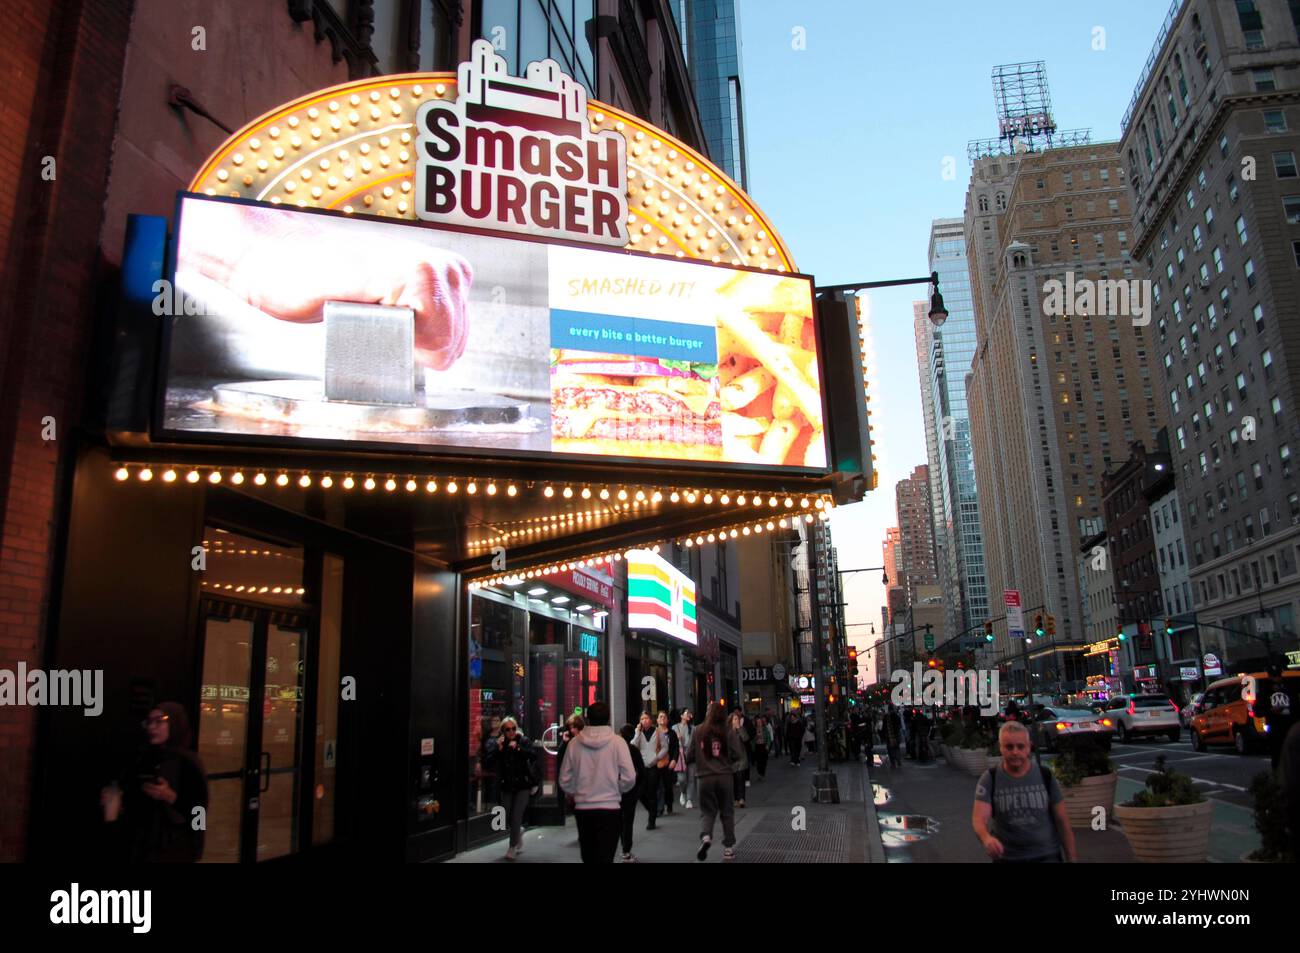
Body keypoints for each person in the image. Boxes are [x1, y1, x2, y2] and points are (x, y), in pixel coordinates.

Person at [101, 702, 209, 862]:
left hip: (173, 849)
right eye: (149, 722)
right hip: (140, 846)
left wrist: (170, 797)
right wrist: (115, 801)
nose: (152, 727)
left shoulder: (188, 762)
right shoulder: (142, 757)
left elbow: (199, 812)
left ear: (175, 723)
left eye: (159, 720)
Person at [972, 721, 1077, 864]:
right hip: (1008, 858)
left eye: (1020, 746)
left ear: (1028, 747)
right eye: (1009, 747)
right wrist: (986, 838)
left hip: (1047, 856)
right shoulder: (990, 778)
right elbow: (979, 819)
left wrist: (1072, 858)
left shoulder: (1045, 775)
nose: (1015, 752)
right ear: (1000, 748)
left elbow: (1062, 821)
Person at [557, 700, 636, 863]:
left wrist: (577, 791)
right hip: (610, 807)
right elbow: (630, 777)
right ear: (608, 719)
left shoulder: (574, 744)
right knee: (606, 856)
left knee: (588, 855)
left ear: (588, 719)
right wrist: (617, 788)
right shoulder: (618, 743)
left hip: (583, 807)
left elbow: (564, 779)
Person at [686, 702, 744, 861]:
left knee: (707, 811)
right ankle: (728, 847)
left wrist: (700, 759)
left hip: (704, 777)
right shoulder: (728, 731)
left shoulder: (698, 730)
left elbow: (689, 754)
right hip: (724, 776)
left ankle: (706, 837)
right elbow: (737, 754)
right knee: (727, 811)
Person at [482, 716, 539, 861]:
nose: (511, 732)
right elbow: (489, 763)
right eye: (508, 729)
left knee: (516, 815)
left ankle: (512, 847)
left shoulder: (523, 740)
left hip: (523, 785)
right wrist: (498, 750)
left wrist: (519, 749)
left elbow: (533, 756)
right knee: (505, 814)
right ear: (503, 731)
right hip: (506, 785)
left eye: (513, 728)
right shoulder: (499, 744)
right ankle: (517, 831)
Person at [631, 712, 667, 829]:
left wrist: (657, 758)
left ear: (651, 720)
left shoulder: (658, 731)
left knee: (652, 792)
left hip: (653, 766)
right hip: (641, 767)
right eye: (642, 718)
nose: (644, 720)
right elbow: (633, 745)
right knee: (640, 792)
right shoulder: (639, 732)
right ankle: (652, 810)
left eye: (646, 718)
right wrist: (637, 733)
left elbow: (665, 747)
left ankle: (652, 820)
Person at [618, 724, 645, 862]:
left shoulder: (615, 750)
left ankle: (620, 847)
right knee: (628, 820)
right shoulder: (633, 750)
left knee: (618, 820)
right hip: (631, 789)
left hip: (615, 789)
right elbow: (641, 770)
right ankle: (626, 850)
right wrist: (637, 786)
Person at [556, 713, 584, 824]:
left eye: (574, 727)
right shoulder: (569, 742)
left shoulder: (585, 739)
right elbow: (561, 757)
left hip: (584, 776)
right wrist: (564, 742)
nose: (572, 730)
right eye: (571, 727)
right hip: (573, 776)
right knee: (574, 803)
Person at [673, 709, 696, 809]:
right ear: (681, 715)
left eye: (690, 713)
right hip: (680, 755)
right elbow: (671, 742)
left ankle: (689, 799)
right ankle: (683, 792)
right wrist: (677, 738)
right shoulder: (675, 727)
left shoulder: (693, 728)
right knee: (682, 779)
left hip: (691, 755)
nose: (689, 715)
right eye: (687, 713)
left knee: (691, 778)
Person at [657, 710, 679, 816]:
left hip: (668, 762)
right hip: (657, 763)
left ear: (667, 720)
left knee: (668, 785)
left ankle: (669, 804)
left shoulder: (672, 733)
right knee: (659, 786)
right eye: (660, 717)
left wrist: (674, 759)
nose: (662, 719)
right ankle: (659, 807)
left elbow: (675, 748)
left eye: (664, 717)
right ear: (657, 720)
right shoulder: (654, 732)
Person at [729, 711, 751, 807]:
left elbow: (746, 739)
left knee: (741, 778)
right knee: (734, 780)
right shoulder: (728, 732)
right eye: (735, 719)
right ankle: (736, 799)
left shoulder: (742, 729)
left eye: (737, 719)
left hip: (742, 758)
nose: (737, 721)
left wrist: (740, 729)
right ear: (731, 721)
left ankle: (742, 799)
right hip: (732, 759)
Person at [881, 704, 903, 768]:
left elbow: (884, 727)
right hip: (896, 735)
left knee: (890, 750)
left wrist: (883, 736)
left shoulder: (886, 717)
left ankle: (893, 763)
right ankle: (898, 761)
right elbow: (899, 725)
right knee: (896, 748)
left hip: (889, 736)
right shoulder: (896, 716)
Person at [752, 716, 771, 781]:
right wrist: (756, 737)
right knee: (758, 761)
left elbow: (769, 738)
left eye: (760, 722)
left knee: (764, 761)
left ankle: (762, 772)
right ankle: (759, 773)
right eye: (757, 722)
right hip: (757, 746)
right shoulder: (754, 729)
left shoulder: (765, 729)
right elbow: (752, 740)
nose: (759, 723)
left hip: (764, 746)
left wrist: (767, 745)